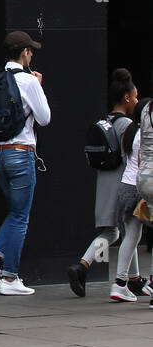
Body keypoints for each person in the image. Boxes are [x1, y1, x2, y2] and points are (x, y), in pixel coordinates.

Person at [0, 30, 51, 296]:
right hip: (20, 152)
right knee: (21, 215)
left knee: (15, 211)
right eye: (31, 50)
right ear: (24, 53)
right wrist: (38, 87)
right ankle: (9, 277)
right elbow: (44, 118)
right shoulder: (29, 82)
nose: (31, 54)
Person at [67, 70, 145, 298]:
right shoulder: (127, 125)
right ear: (127, 98)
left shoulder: (107, 121)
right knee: (116, 232)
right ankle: (82, 265)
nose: (137, 101)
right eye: (136, 96)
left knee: (127, 231)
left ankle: (133, 279)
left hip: (104, 180)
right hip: (122, 182)